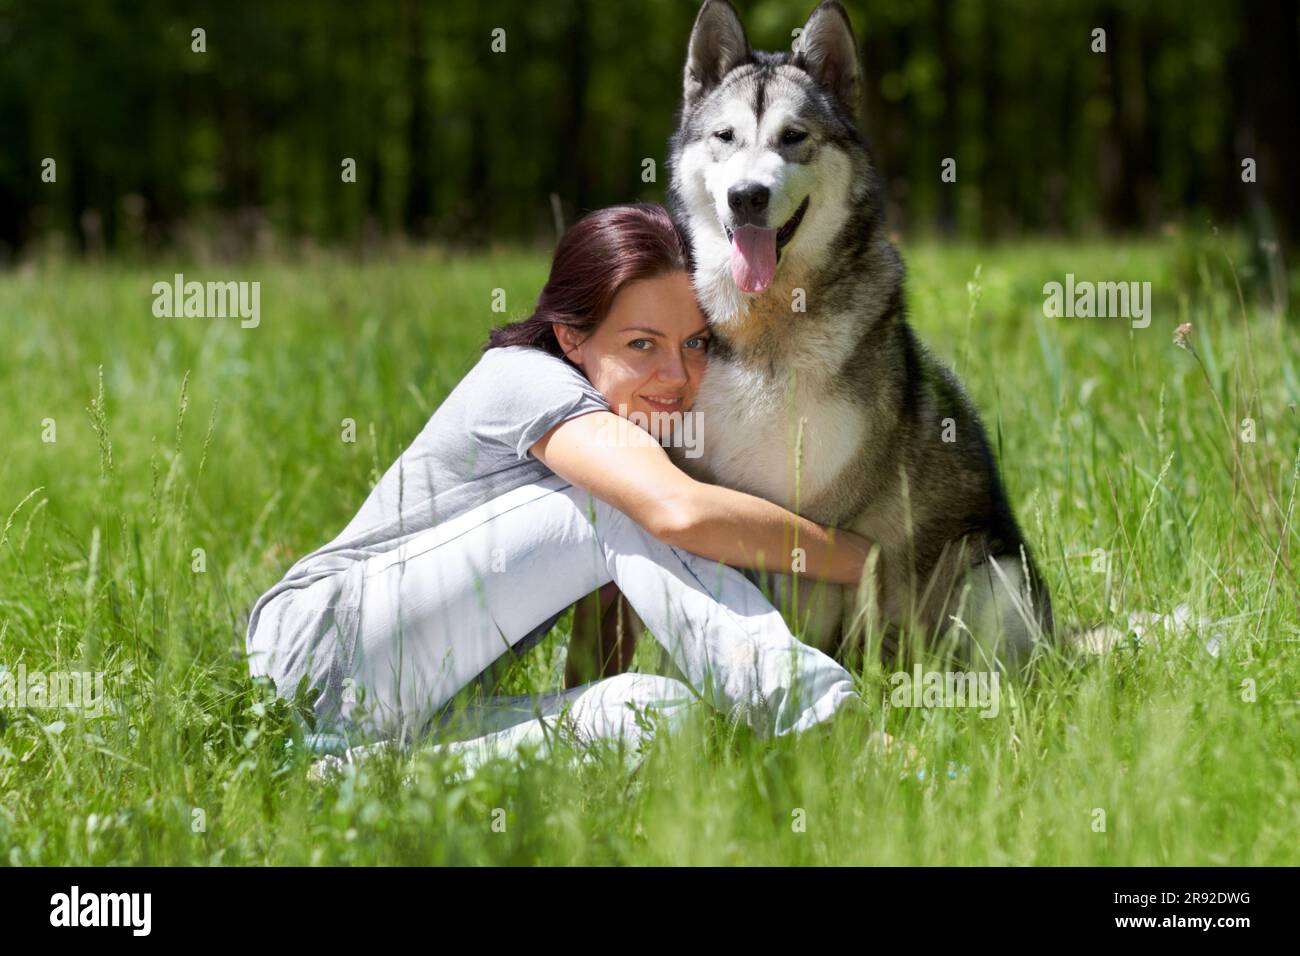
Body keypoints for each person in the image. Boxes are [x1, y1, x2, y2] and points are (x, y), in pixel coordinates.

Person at [244, 203, 875, 763]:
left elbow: (602, 634)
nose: (677, 374)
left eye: (695, 343)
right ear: (572, 336)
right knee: (630, 504)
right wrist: (875, 563)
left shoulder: (622, 433)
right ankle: (826, 725)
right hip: (318, 648)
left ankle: (350, 771)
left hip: (400, 714)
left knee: (654, 714)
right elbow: (676, 514)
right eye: (641, 344)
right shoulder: (524, 377)